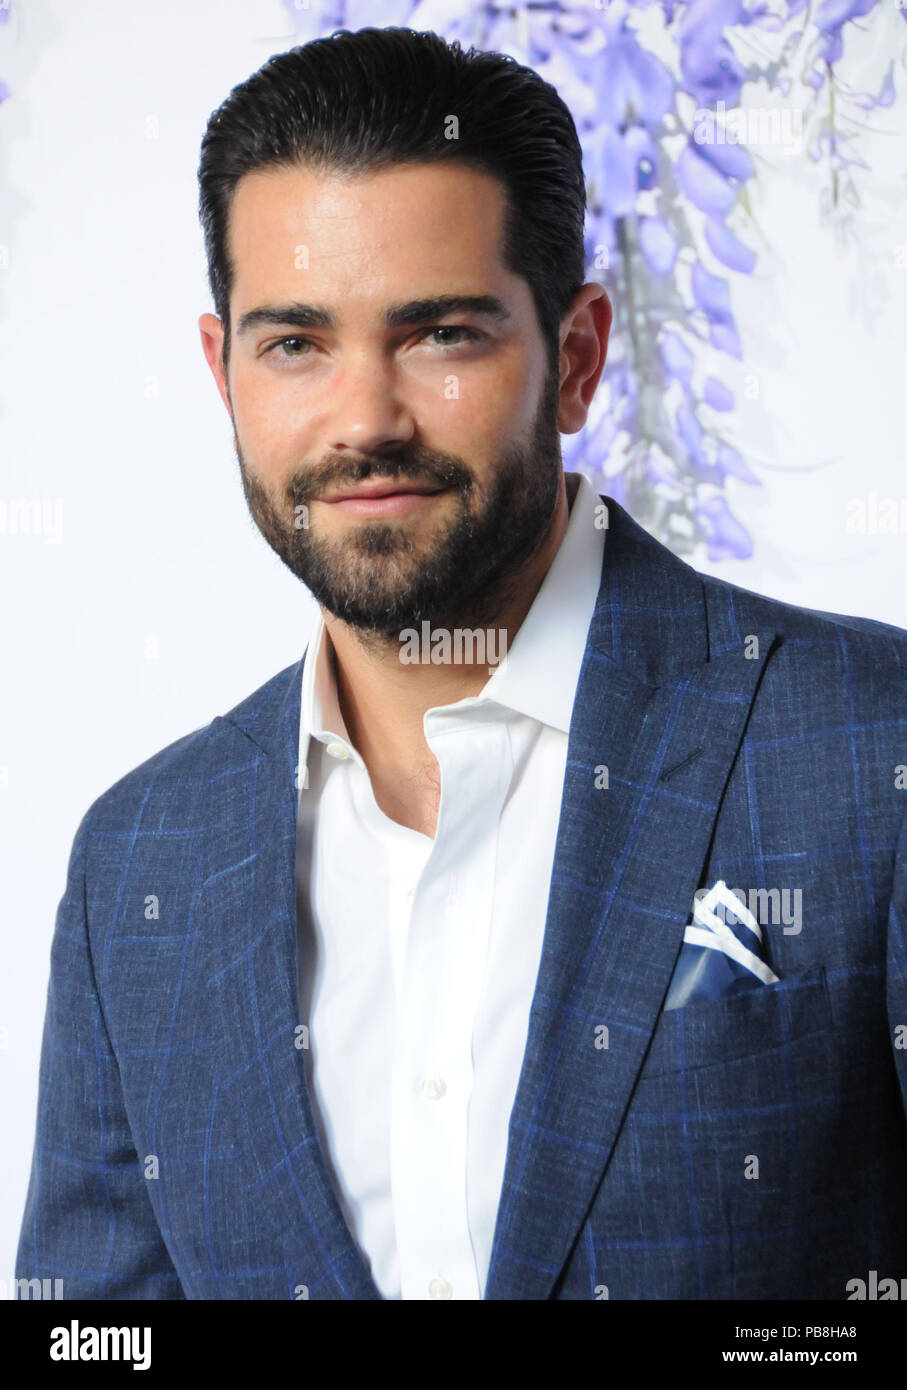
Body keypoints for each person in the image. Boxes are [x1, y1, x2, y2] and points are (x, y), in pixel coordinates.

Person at [16, 26, 907, 1301]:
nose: (366, 418)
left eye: (439, 334)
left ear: (579, 357)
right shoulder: (140, 862)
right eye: (295, 344)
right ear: (222, 376)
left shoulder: (870, 751)